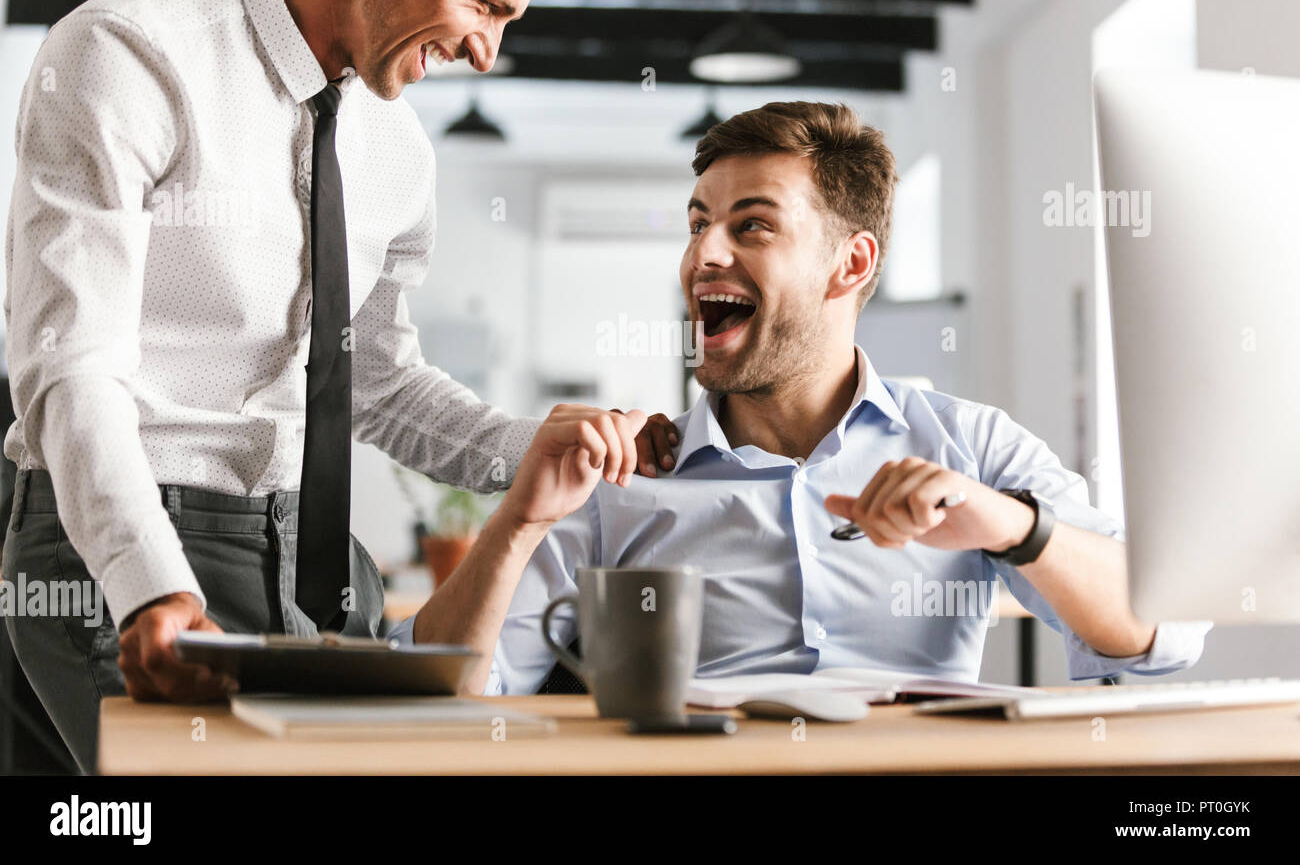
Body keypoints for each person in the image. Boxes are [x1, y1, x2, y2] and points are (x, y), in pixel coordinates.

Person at [1, 0, 674, 773]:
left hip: (312, 555)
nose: (486, 52)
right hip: (124, 536)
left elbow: (380, 383)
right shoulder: (130, 52)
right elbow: (71, 367)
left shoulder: (399, 152)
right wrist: (149, 585)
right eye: (485, 4)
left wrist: (525, 448)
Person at [394, 101, 1210, 693]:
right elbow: (444, 699)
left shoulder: (969, 449)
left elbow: (1161, 631)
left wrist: (1007, 522)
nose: (702, 254)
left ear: (850, 265)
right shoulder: (616, 479)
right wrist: (518, 522)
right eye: (696, 223)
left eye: (751, 226)